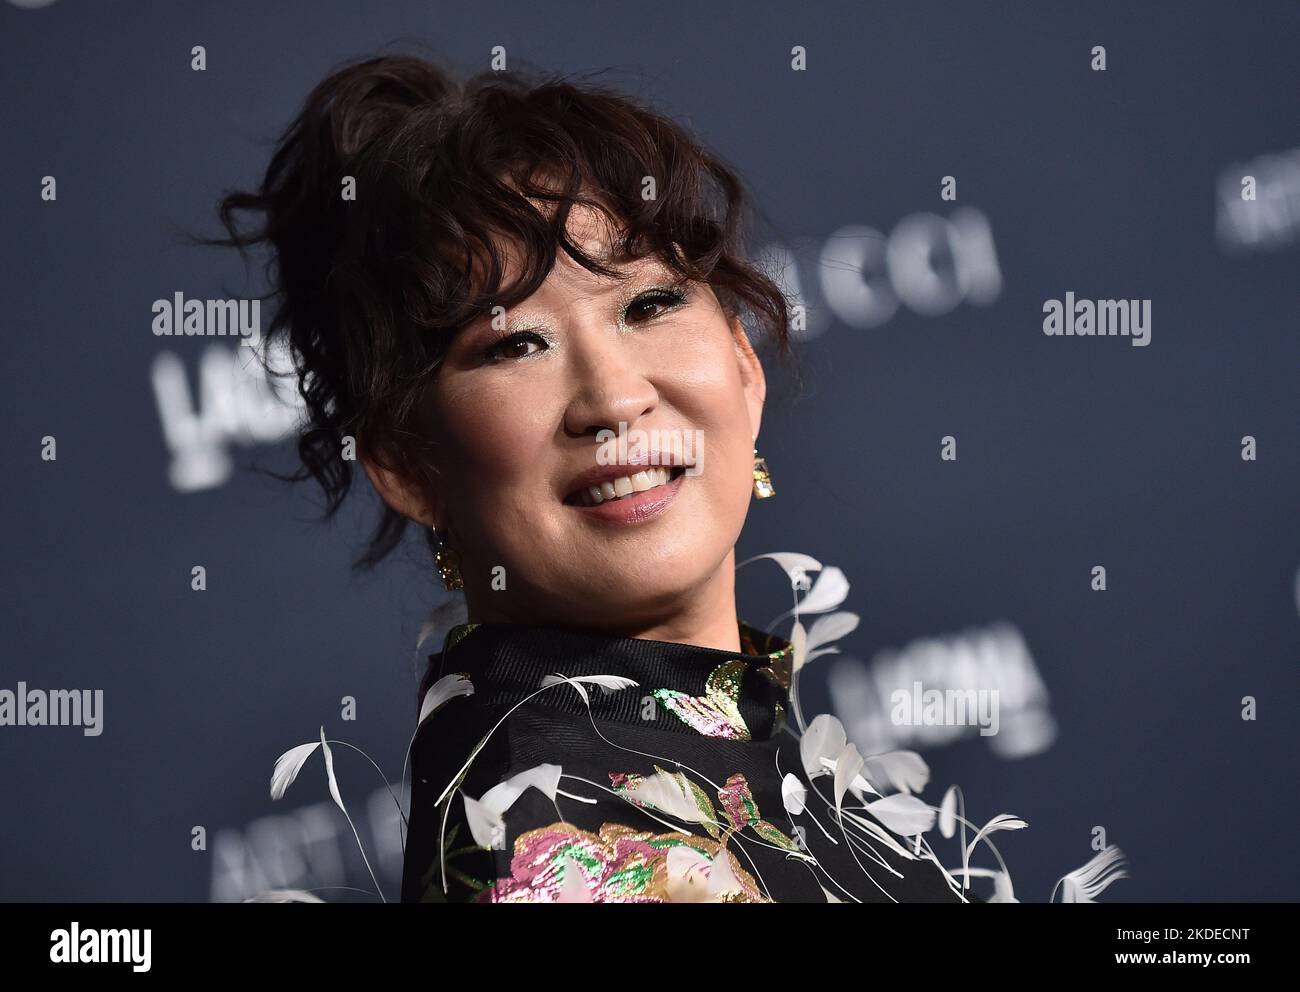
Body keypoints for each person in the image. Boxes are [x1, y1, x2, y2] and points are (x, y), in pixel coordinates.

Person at [224, 54, 1124, 903]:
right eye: (515, 344)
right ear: (406, 466)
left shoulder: (713, 751)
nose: (614, 398)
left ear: (743, 362)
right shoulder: (563, 843)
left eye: (649, 304)